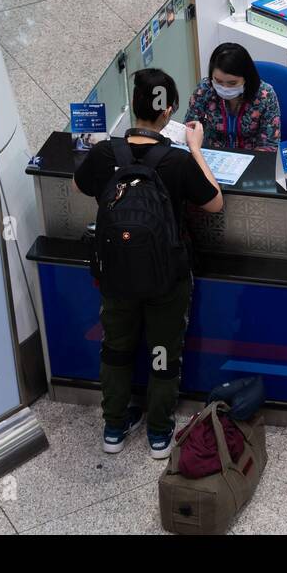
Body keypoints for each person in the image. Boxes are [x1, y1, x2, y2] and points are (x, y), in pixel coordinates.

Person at [74, 69, 223, 458]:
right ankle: (159, 433)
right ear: (168, 112)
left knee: (116, 349)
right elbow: (214, 201)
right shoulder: (175, 162)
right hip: (165, 277)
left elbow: (78, 185)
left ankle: (114, 427)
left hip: (115, 274)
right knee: (162, 351)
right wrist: (195, 148)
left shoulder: (106, 153)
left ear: (134, 107)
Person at [184, 42, 281, 151]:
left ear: (246, 78)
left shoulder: (265, 96)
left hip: (253, 157)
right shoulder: (205, 89)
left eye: (232, 83)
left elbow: (269, 145)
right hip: (212, 155)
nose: (224, 87)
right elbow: (189, 128)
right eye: (218, 81)